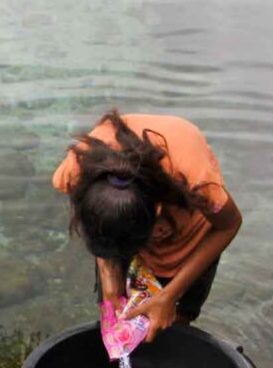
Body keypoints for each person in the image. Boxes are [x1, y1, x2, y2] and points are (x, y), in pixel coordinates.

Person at [52, 110, 241, 341]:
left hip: (193, 238)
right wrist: (109, 275)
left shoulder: (197, 180)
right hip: (126, 226)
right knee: (116, 312)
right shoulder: (76, 170)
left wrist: (171, 295)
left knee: (174, 319)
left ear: (158, 213)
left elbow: (229, 225)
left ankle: (170, 338)